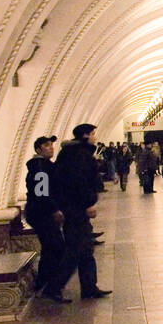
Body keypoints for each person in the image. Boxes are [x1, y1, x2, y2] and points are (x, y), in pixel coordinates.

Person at [52, 123, 112, 299]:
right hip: (76, 209)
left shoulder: (70, 153)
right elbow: (80, 182)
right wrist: (88, 203)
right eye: (93, 134)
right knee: (75, 250)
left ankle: (89, 287)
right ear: (85, 136)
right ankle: (55, 286)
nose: (95, 137)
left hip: (71, 207)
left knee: (85, 249)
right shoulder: (80, 155)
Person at [24, 135, 68, 303]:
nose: (51, 147)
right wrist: (54, 209)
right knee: (57, 247)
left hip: (41, 213)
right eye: (47, 145)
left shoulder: (45, 166)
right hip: (42, 214)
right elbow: (42, 193)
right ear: (38, 149)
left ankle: (43, 283)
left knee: (51, 248)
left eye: (51, 145)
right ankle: (49, 287)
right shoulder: (40, 168)